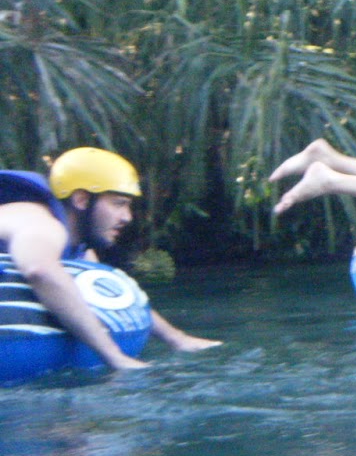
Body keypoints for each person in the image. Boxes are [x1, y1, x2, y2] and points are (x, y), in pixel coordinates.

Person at [0, 148, 221, 369]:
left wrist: (178, 340)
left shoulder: (79, 249)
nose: (127, 217)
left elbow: (108, 295)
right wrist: (115, 357)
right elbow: (40, 270)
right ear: (82, 199)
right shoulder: (41, 223)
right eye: (118, 203)